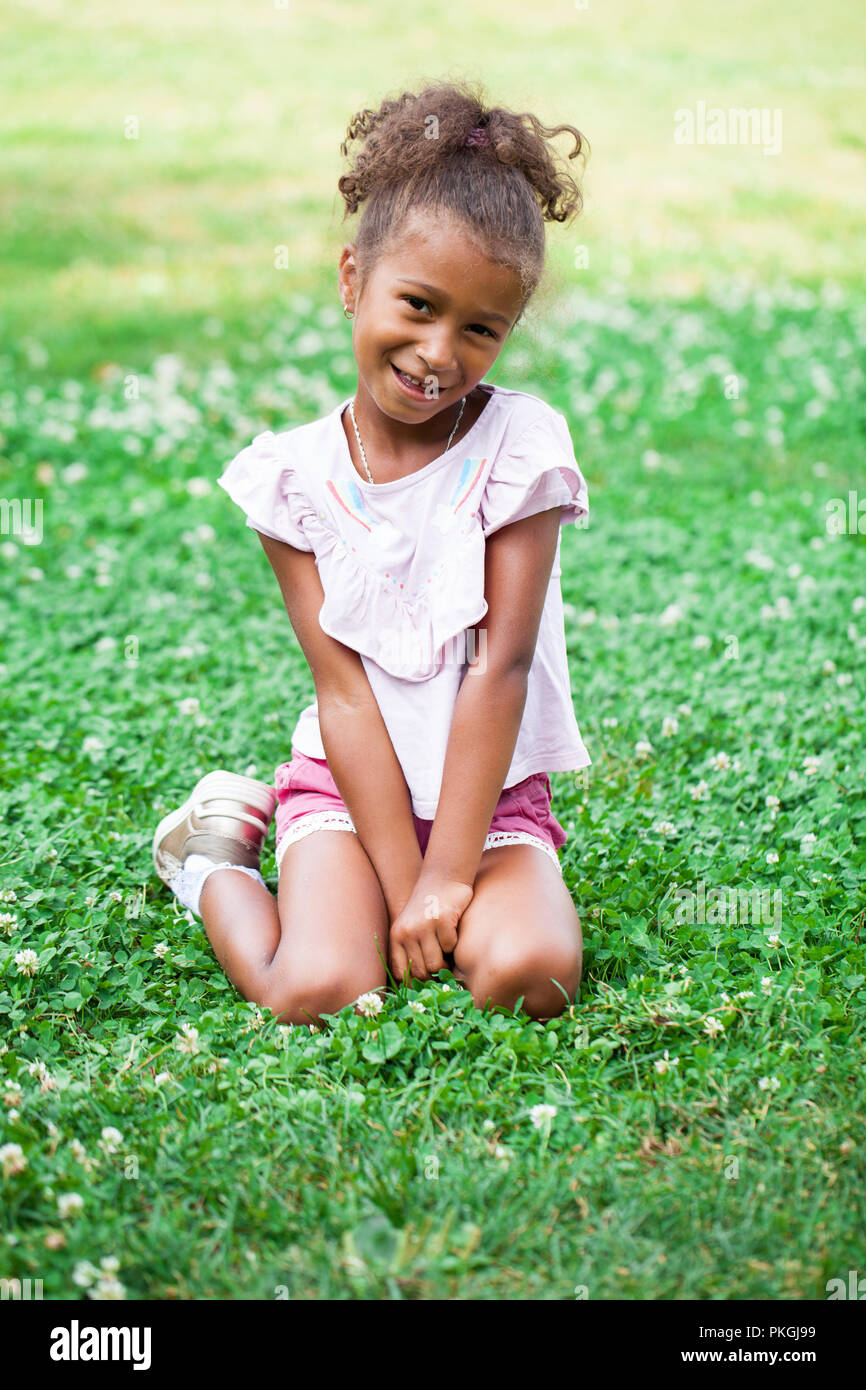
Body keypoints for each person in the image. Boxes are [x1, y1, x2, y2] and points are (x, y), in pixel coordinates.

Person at [152, 78, 593, 1027]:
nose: (440, 352)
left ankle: (459, 888)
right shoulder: (292, 481)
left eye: (481, 329)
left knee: (536, 972)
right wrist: (405, 886)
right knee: (318, 989)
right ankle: (206, 860)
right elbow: (344, 691)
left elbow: (501, 667)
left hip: (489, 803)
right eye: (418, 305)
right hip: (351, 799)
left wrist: (448, 879)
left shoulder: (521, 452)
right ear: (353, 280)